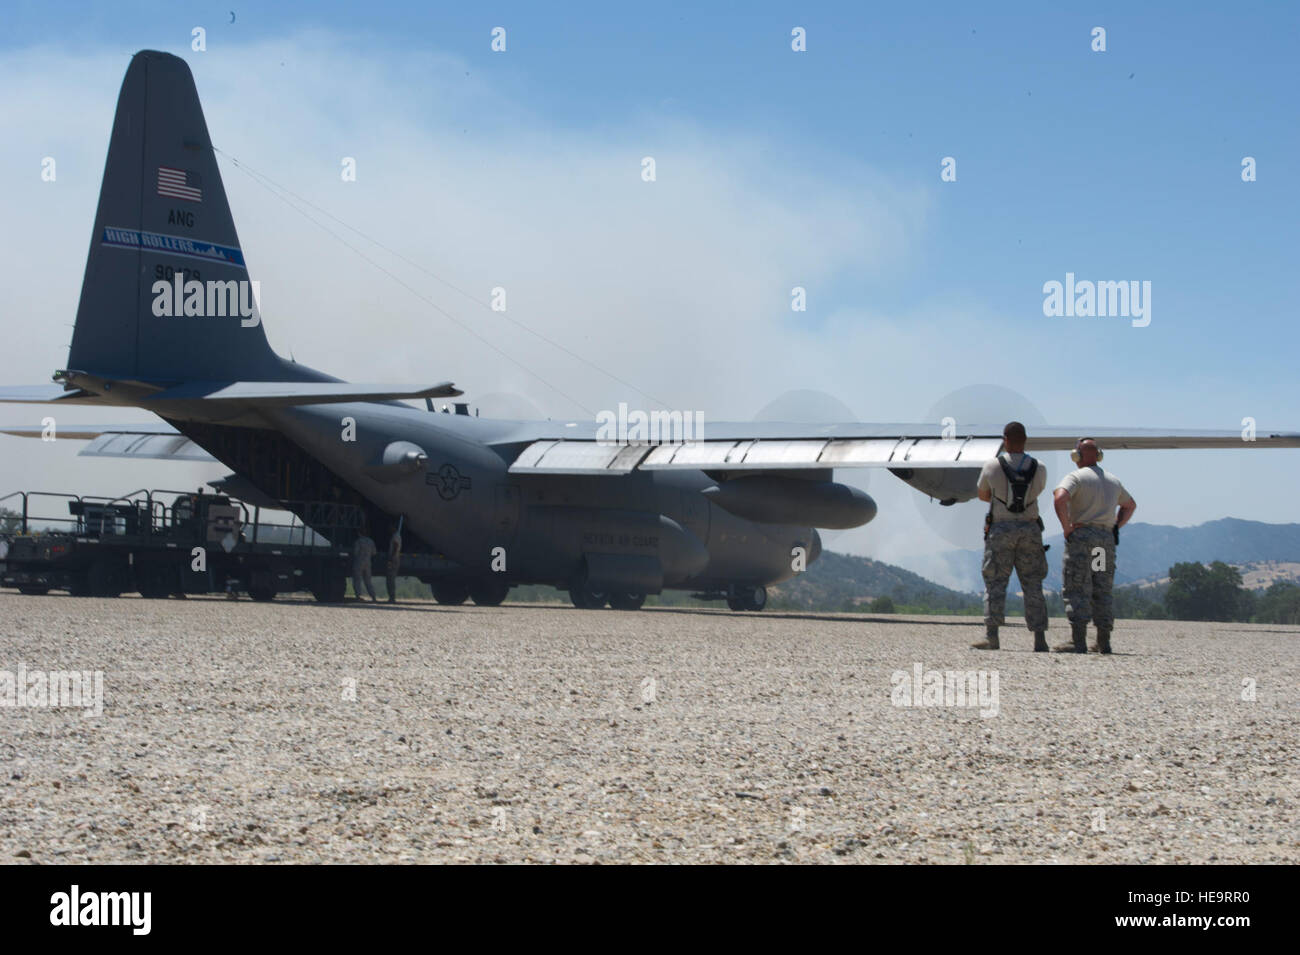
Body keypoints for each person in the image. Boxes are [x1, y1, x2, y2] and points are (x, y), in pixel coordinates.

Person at [1053, 438, 1137, 653]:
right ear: (1098, 455)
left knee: (1077, 586)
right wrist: (1116, 525)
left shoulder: (1076, 477)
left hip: (1082, 538)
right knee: (1101, 586)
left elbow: (1060, 498)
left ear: (1077, 456)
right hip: (1104, 541)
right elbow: (1130, 505)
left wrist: (1066, 527)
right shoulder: (1112, 480)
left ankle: (1078, 640)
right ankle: (1103, 640)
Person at [972, 421, 1050, 651]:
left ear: (1005, 440)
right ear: (1025, 440)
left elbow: (983, 495)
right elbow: (1039, 490)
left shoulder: (991, 466)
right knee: (1033, 584)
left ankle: (992, 636)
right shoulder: (1040, 467)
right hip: (1030, 528)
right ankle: (1039, 639)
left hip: (1001, 528)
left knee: (995, 582)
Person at [352, 529, 378, 602]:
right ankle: (373, 596)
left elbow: (355, 552)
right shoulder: (371, 541)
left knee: (357, 580)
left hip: (359, 562)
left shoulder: (358, 541)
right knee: (368, 581)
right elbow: (374, 553)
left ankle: (358, 596)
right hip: (368, 563)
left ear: (360, 533)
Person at [386, 520, 403, 604]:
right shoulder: (396, 535)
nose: (389, 528)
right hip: (395, 558)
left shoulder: (396, 536)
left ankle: (392, 598)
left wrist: (391, 559)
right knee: (390, 579)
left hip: (394, 559)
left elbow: (395, 546)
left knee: (390, 580)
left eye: (390, 527)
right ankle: (391, 597)